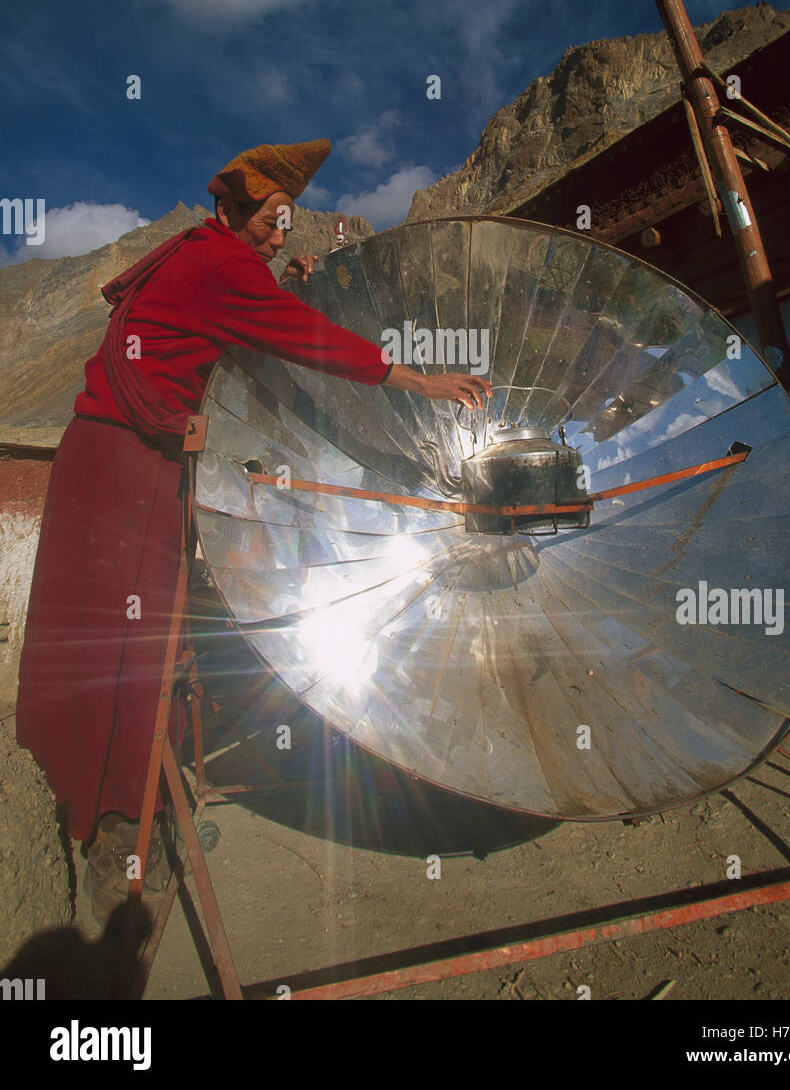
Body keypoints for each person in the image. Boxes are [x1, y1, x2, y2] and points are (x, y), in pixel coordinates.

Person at [15, 139, 491, 918]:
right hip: (126, 468)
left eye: (286, 224)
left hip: (106, 459)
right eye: (272, 223)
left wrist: (275, 284)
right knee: (132, 643)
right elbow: (312, 343)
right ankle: (117, 832)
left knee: (121, 635)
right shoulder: (221, 265)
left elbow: (217, 316)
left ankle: (110, 798)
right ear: (230, 211)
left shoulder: (201, 257)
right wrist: (420, 379)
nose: (279, 237)